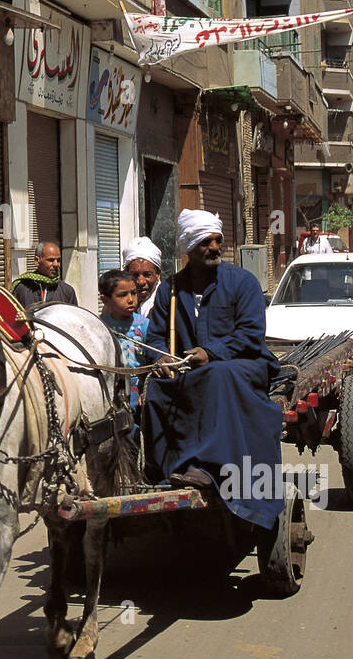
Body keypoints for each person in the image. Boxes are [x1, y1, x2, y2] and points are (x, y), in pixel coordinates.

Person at [141, 209, 284, 531]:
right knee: (155, 388)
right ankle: (166, 469)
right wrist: (163, 357)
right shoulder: (171, 289)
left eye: (218, 241)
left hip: (243, 364)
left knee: (218, 376)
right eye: (206, 242)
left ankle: (209, 466)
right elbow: (155, 335)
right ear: (189, 248)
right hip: (189, 370)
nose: (214, 247)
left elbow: (250, 334)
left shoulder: (242, 282)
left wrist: (211, 352)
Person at [99, 268, 149, 411]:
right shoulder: (100, 327)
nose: (130, 299)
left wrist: (146, 390)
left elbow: (152, 361)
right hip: (110, 389)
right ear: (105, 299)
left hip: (138, 390)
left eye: (133, 293)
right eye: (122, 295)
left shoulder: (144, 325)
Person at [11, 241, 78, 310]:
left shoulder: (67, 291)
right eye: (51, 260)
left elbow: (74, 318)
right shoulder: (21, 288)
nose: (56, 264)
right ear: (37, 261)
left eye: (58, 260)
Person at [122, 235, 163, 316]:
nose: (141, 282)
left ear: (158, 275)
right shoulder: (118, 303)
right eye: (135, 275)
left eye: (147, 275)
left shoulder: (165, 305)